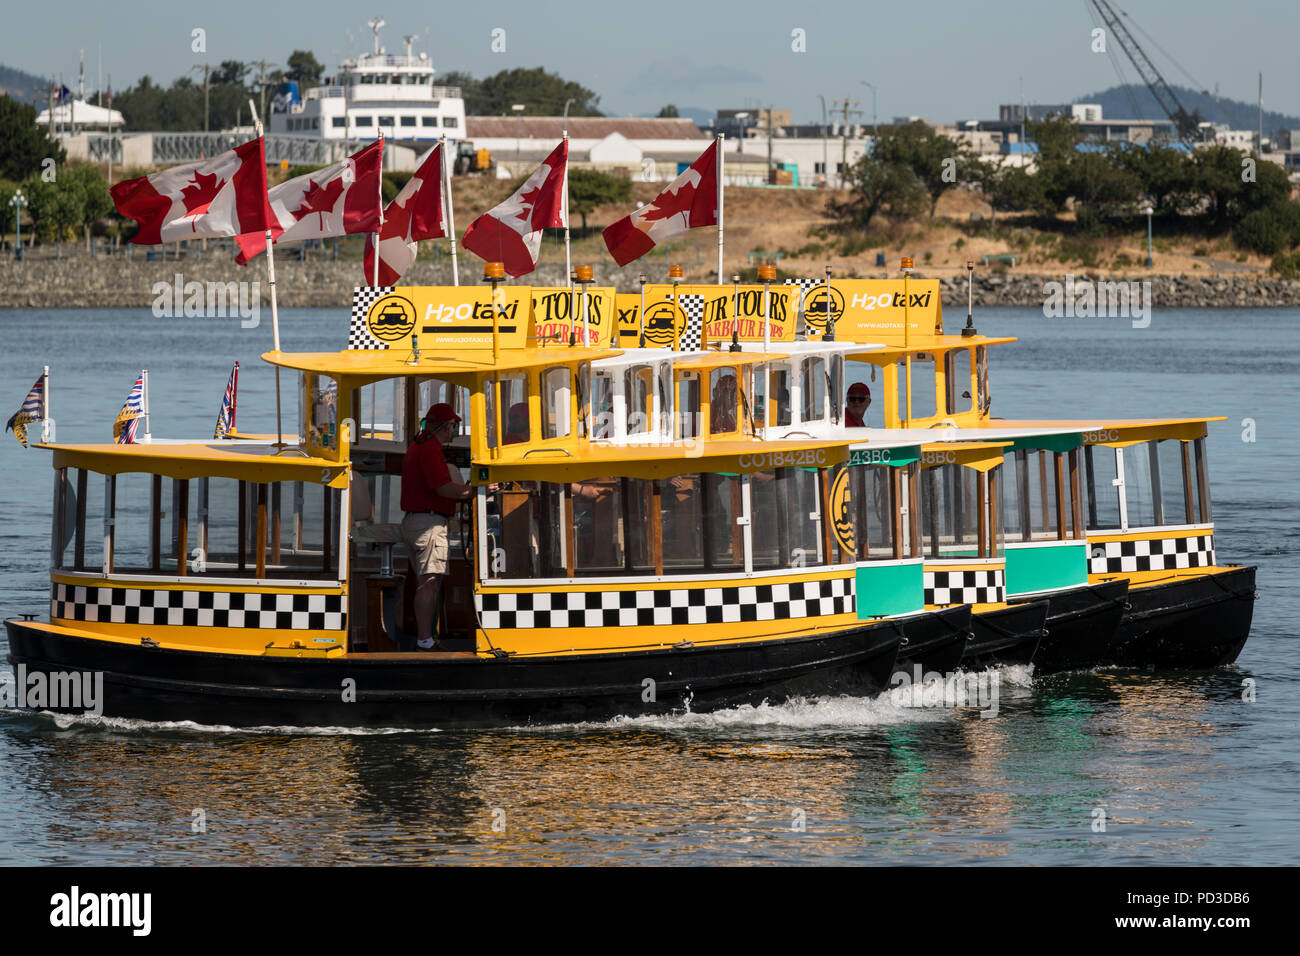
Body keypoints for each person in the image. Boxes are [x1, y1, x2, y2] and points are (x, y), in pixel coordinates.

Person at [401, 403, 471, 651]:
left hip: (415, 521)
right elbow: (442, 488)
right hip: (428, 524)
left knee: (426, 582)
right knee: (430, 583)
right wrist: (471, 492)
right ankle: (425, 641)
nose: (453, 431)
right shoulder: (429, 449)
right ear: (442, 426)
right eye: (453, 425)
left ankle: (425, 638)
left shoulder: (418, 445)